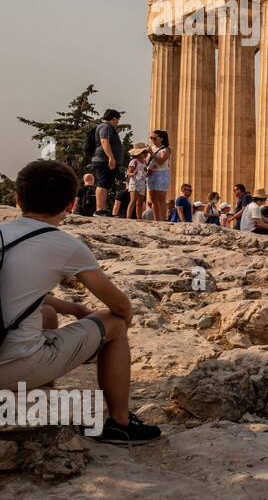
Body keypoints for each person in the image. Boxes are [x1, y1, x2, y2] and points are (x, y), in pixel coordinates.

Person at [0, 160, 161, 443]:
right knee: (114, 324)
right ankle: (120, 424)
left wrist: (72, 308)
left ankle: (44, 400)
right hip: (12, 367)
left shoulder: (4, 233)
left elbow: (14, 292)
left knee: (48, 312)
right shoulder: (66, 245)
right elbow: (121, 307)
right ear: (71, 205)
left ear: (17, 199)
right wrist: (118, 319)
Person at [88, 109, 124, 216]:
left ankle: (102, 208)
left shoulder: (106, 127)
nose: (118, 122)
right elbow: (104, 141)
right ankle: (99, 210)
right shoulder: (106, 127)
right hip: (103, 160)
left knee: (105, 184)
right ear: (114, 118)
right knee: (102, 184)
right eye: (118, 119)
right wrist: (111, 157)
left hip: (104, 159)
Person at [145, 130, 172, 224]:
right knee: (153, 198)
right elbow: (147, 162)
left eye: (154, 138)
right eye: (151, 138)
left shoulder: (166, 149)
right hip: (151, 174)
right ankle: (157, 220)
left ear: (161, 138)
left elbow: (161, 161)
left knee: (161, 197)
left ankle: (163, 219)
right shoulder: (152, 148)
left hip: (162, 173)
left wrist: (152, 153)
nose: (152, 140)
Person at [124, 145, 150, 219]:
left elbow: (145, 173)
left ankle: (139, 217)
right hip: (134, 182)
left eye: (146, 152)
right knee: (133, 200)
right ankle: (128, 217)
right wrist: (133, 173)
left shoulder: (144, 162)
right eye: (144, 152)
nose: (146, 154)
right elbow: (128, 173)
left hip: (142, 182)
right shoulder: (134, 161)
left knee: (140, 202)